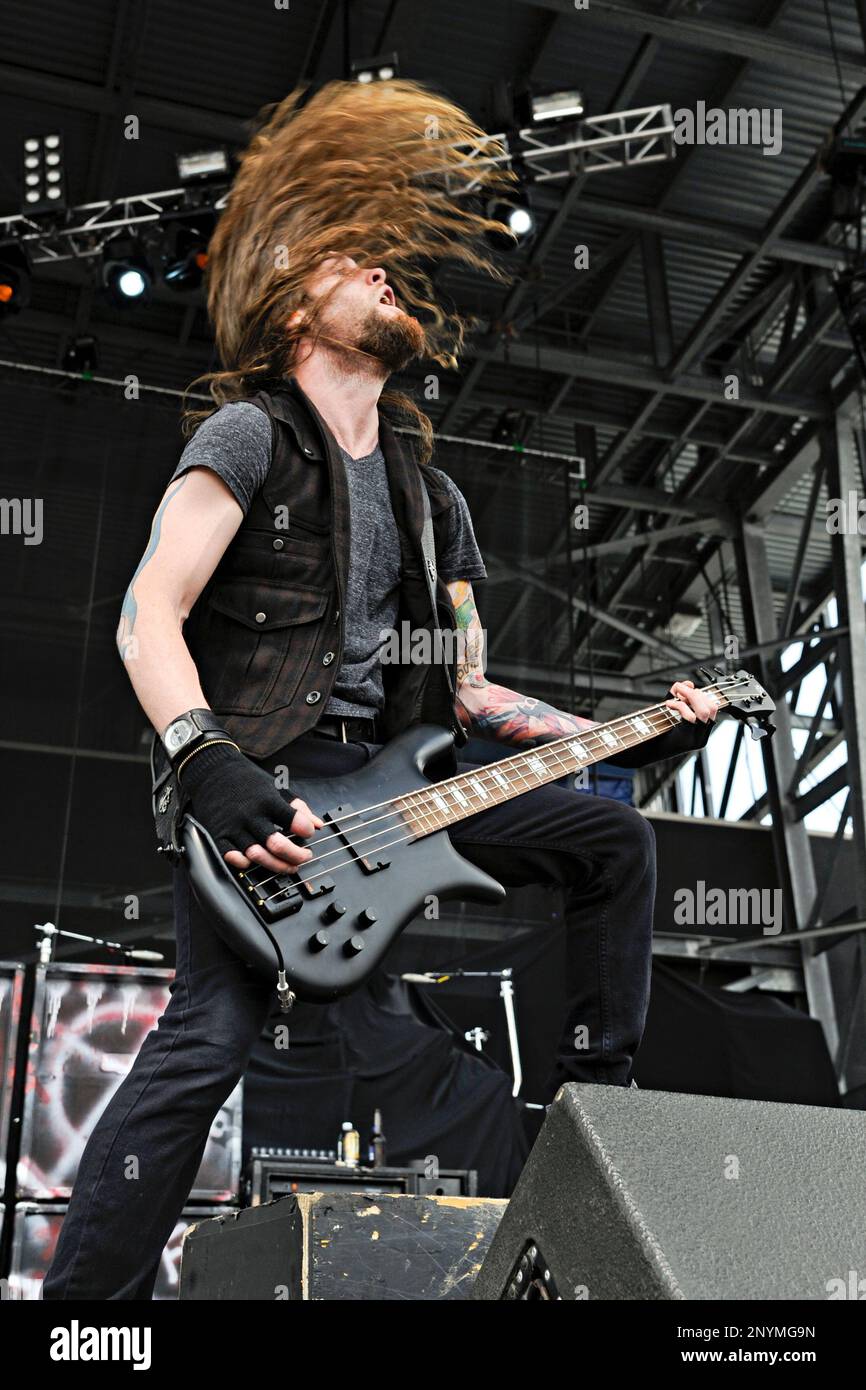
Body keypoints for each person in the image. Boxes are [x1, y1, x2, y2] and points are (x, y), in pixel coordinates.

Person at [43, 80, 716, 1300]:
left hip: (396, 797)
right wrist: (206, 761)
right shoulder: (250, 437)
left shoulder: (432, 497)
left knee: (608, 838)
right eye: (360, 269)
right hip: (261, 796)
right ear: (297, 304)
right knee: (207, 1042)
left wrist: (625, 732)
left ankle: (593, 1112)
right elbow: (150, 612)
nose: (389, 283)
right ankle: (85, 1318)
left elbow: (465, 695)